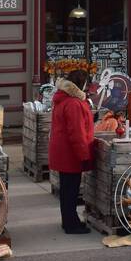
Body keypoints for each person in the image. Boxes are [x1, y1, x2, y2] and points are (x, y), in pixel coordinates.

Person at [47, 68, 94, 234]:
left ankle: (69, 220)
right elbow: (77, 132)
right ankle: (70, 223)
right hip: (70, 153)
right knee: (71, 190)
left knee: (67, 189)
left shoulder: (65, 99)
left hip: (64, 151)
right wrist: (84, 154)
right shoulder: (74, 103)